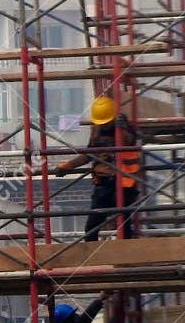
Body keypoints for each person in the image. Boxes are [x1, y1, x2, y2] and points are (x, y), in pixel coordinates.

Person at [57, 95, 143, 240]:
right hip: (103, 185)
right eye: (101, 123)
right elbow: (89, 154)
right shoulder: (97, 130)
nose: (103, 125)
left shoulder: (126, 130)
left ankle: (127, 255)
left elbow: (127, 142)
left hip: (124, 186)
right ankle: (92, 258)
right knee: (92, 228)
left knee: (124, 225)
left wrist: (120, 128)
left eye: (106, 122)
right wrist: (68, 166)